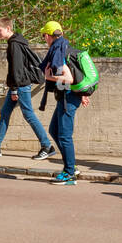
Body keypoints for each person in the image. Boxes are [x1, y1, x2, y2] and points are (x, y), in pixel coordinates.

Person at [0, 17, 54, 160]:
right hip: (19, 84)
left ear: (8, 28)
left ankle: (47, 146)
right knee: (5, 113)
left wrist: (14, 89)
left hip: (20, 85)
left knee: (29, 115)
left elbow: (17, 69)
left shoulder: (14, 44)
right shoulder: (17, 42)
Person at [40, 21, 88, 186]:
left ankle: (69, 173)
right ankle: (70, 166)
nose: (44, 39)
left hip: (68, 97)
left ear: (48, 36)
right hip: (67, 95)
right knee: (54, 130)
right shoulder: (62, 48)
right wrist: (81, 93)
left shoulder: (59, 52)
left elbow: (69, 78)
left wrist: (49, 78)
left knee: (64, 135)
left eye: (44, 36)